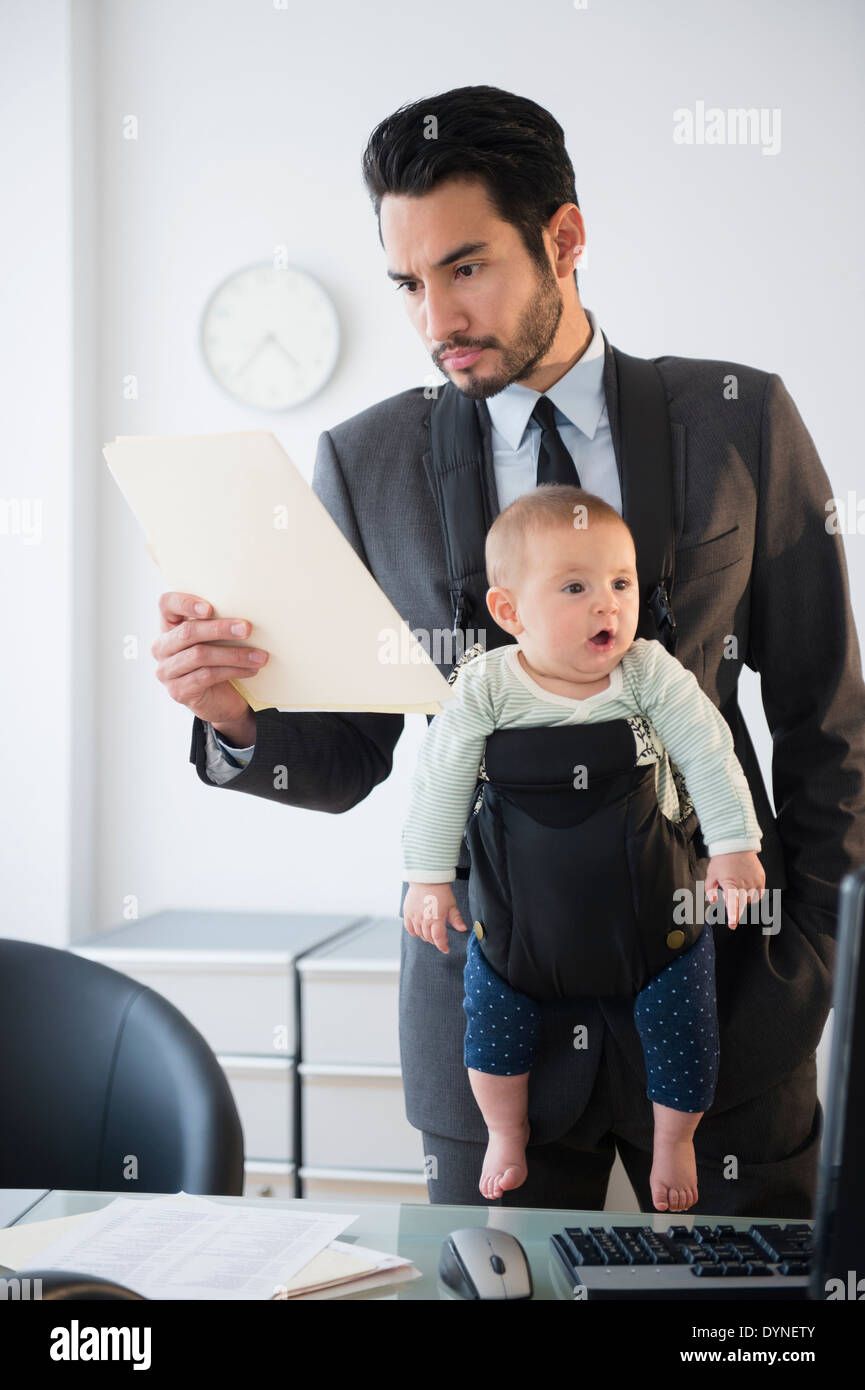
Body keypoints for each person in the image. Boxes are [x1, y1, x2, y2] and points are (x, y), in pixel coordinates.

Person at [152, 86, 865, 1214]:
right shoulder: (365, 458)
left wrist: (812, 962)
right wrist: (239, 720)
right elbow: (346, 753)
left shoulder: (738, 420)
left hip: (731, 1008)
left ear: (564, 239)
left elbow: (830, 725)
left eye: (466, 267)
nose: (436, 317)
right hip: (489, 1037)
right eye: (408, 283)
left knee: (752, 1336)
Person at [401, 484, 765, 1211]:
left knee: (683, 1028)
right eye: (575, 587)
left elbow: (706, 750)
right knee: (493, 1027)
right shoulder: (485, 688)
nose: (608, 605)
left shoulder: (648, 673)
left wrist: (732, 848)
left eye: (621, 584)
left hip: (653, 915)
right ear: (508, 612)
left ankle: (673, 1140)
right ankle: (505, 1132)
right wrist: (428, 879)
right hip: (518, 930)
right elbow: (439, 780)